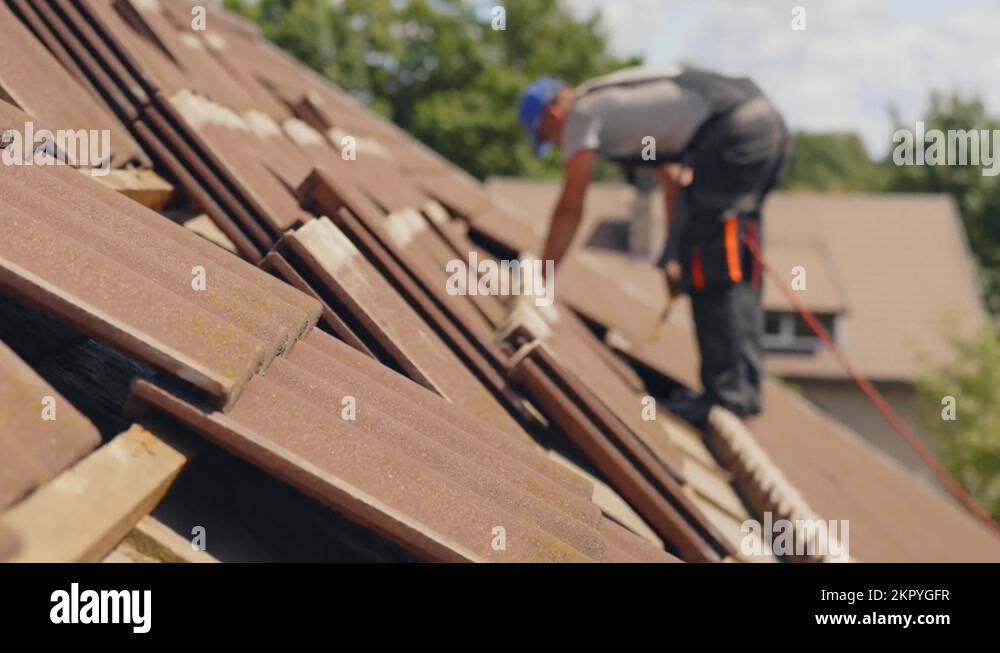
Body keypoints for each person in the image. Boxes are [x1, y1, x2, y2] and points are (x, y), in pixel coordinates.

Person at [517, 65, 789, 426]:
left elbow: (571, 205)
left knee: (717, 264)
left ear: (553, 113)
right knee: (719, 258)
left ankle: (730, 399)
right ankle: (734, 391)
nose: (557, 146)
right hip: (756, 125)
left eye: (549, 137)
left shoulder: (582, 115)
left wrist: (539, 279)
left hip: (735, 134)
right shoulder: (618, 102)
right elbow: (673, 179)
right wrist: (675, 254)